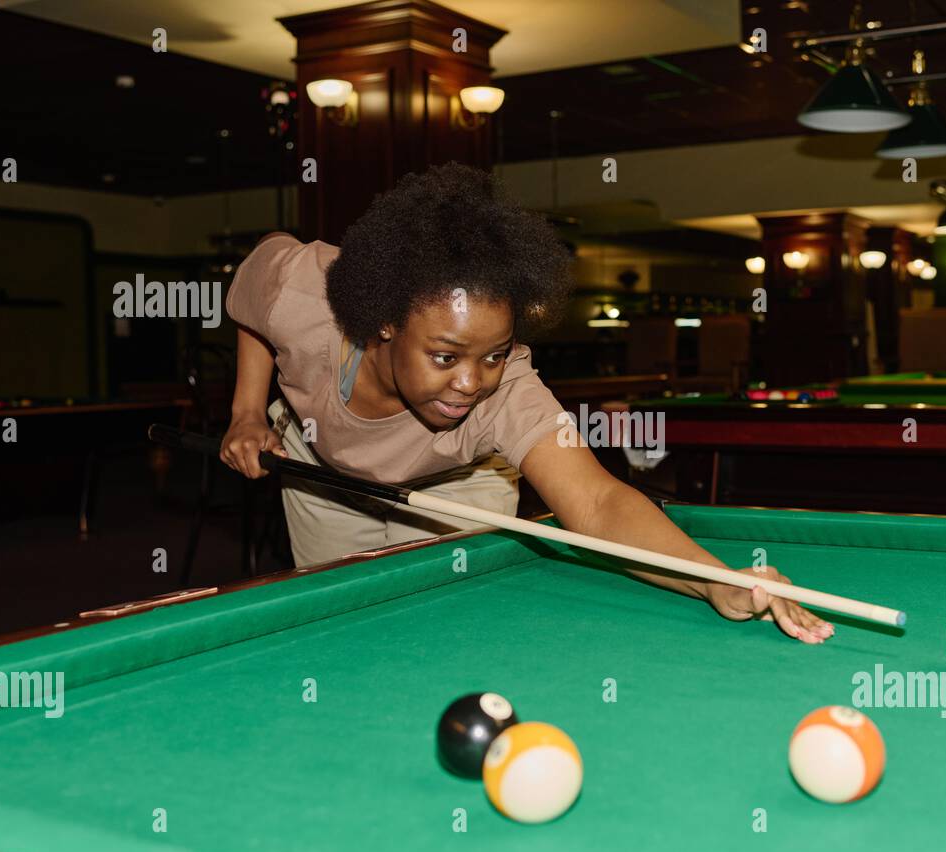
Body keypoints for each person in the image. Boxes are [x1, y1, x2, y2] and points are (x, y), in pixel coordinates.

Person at [221, 161, 831, 643]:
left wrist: (713, 580)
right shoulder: (308, 292)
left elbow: (596, 502)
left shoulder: (509, 391)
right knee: (339, 625)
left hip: (456, 485)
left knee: (454, 630)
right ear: (382, 321)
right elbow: (255, 298)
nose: (471, 382)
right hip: (319, 469)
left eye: (493, 353)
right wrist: (247, 412)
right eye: (445, 356)